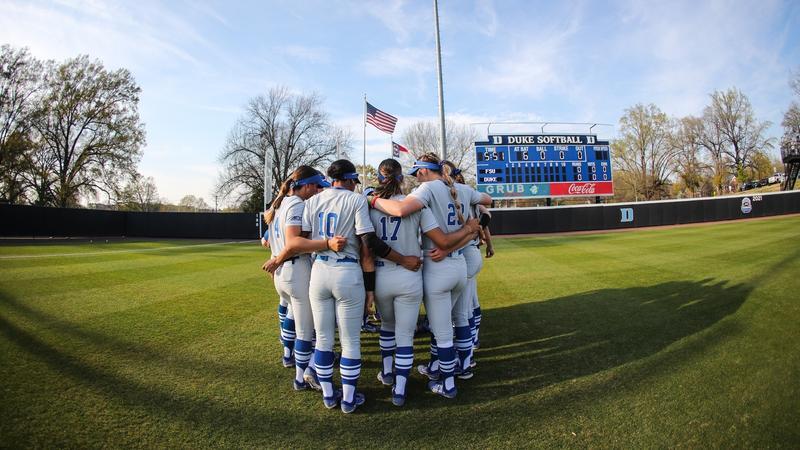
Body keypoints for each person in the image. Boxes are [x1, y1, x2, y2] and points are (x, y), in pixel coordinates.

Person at [300, 159, 421, 413]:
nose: (356, 185)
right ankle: (348, 399)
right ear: (347, 179)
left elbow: (303, 239)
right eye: (354, 180)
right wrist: (370, 290)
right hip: (347, 271)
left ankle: (329, 395)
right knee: (350, 341)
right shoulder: (356, 200)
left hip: (319, 271)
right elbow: (368, 240)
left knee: (323, 339)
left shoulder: (312, 201)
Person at [368, 153, 491, 399]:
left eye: (417, 174)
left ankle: (447, 384)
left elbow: (401, 210)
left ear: (423, 171)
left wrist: (371, 200)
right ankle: (452, 367)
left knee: (441, 331)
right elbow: (488, 201)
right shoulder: (461, 188)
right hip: (459, 264)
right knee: (457, 319)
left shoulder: (424, 191)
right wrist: (470, 229)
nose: (415, 179)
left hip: (435, 267)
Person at [261, 166, 346, 390]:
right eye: (316, 186)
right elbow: (294, 243)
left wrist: (277, 261)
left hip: (284, 272)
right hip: (294, 269)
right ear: (306, 185)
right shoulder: (296, 203)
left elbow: (274, 242)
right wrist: (327, 243)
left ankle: (297, 365)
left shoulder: (279, 204)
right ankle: (301, 378)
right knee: (305, 332)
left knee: (301, 327)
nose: (318, 190)